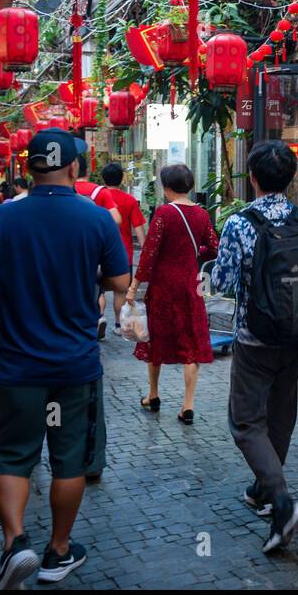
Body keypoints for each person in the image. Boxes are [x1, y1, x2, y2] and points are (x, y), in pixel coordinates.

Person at [0, 128, 130, 590]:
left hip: (18, 364)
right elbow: (120, 281)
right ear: (75, 167)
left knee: (12, 455)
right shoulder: (95, 219)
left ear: (28, 167)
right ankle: (58, 550)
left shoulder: (5, 219)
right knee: (70, 460)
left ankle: (15, 544)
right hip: (76, 364)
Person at [210, 140, 298, 554]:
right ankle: (263, 490)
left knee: (245, 421)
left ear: (253, 178)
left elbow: (222, 282)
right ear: (291, 179)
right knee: (280, 414)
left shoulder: (240, 224)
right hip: (295, 336)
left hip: (253, 336)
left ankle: (281, 501)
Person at [126, 163, 217, 424]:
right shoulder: (201, 214)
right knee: (190, 342)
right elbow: (213, 247)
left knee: (154, 337)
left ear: (166, 188)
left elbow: (150, 253)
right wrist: (192, 254)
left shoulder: (165, 213)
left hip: (163, 285)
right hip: (191, 284)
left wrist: (134, 286)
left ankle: (153, 394)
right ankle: (188, 404)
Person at [72, 147, 123, 340]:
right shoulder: (99, 191)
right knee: (95, 284)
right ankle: (97, 316)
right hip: (93, 249)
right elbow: (116, 219)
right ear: (87, 171)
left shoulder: (62, 192)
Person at [103, 162, 148, 334]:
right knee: (120, 290)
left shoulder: (98, 197)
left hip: (99, 250)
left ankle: (99, 316)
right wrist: (145, 250)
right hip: (122, 253)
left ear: (103, 178)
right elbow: (138, 228)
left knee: (97, 289)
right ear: (121, 180)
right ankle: (117, 324)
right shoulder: (129, 200)